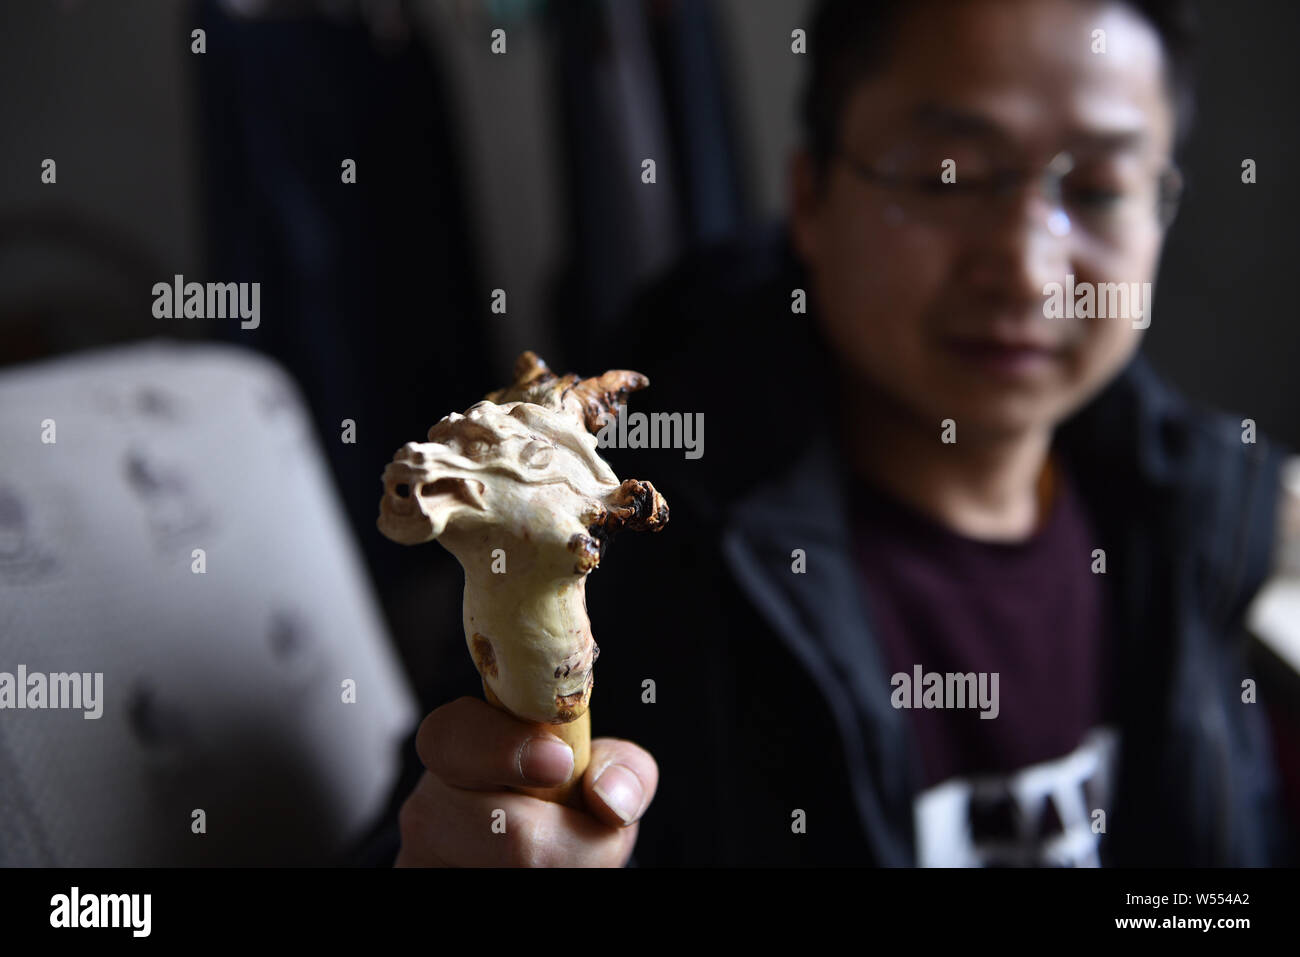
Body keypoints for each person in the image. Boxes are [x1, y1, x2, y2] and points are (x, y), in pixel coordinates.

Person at [366, 0, 1298, 867]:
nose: (1027, 266)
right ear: (810, 198)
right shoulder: (625, 546)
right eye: (953, 175)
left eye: (1098, 190)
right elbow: (444, 823)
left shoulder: (1205, 510)